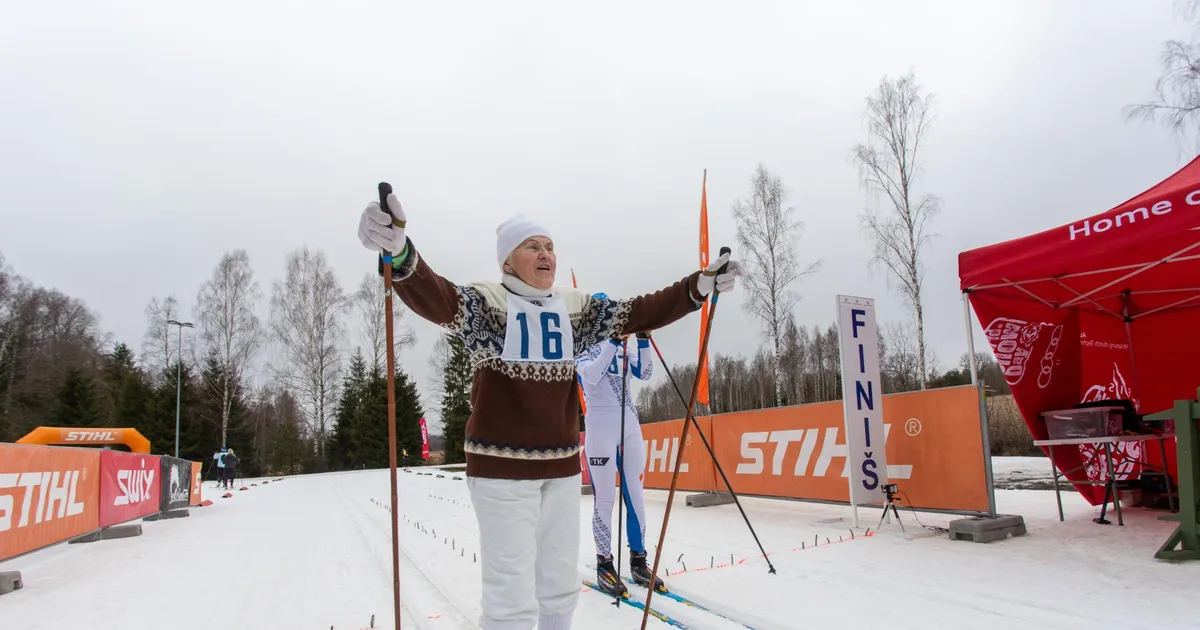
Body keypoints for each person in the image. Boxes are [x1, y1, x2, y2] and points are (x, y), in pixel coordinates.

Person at [357, 192, 741, 630]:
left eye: (550, 246)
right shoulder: (487, 304)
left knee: (559, 589)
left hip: (559, 468)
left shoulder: (574, 308)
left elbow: (638, 311)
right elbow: (438, 297)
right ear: (507, 261)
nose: (546, 255)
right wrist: (400, 252)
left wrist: (697, 287)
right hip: (501, 471)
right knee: (511, 600)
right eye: (533, 246)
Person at [575, 325, 661, 597]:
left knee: (635, 495)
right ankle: (605, 564)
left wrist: (643, 340)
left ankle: (638, 561)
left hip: (630, 423)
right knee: (604, 499)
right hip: (600, 427)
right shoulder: (582, 347)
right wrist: (613, 341)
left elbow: (645, 373)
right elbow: (591, 374)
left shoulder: (624, 347)